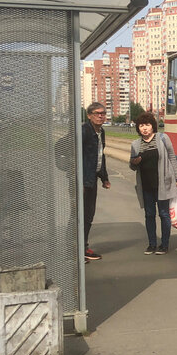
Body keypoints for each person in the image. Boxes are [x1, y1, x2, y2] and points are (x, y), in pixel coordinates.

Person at [129, 112, 177, 255]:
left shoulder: (163, 138)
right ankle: (152, 244)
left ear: (153, 126)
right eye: (141, 125)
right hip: (146, 186)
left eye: (147, 125)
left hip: (163, 184)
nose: (144, 128)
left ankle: (164, 244)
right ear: (138, 128)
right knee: (149, 215)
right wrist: (134, 162)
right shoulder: (135, 144)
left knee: (164, 214)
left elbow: (172, 157)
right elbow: (132, 166)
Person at [81, 102, 110, 262]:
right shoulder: (83, 131)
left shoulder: (101, 132)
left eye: (103, 113)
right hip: (82, 182)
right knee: (79, 215)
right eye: (97, 113)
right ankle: (76, 250)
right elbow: (61, 148)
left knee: (88, 215)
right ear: (89, 115)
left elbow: (99, 156)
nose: (100, 116)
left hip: (91, 180)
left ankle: (83, 248)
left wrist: (104, 178)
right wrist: (75, 176)